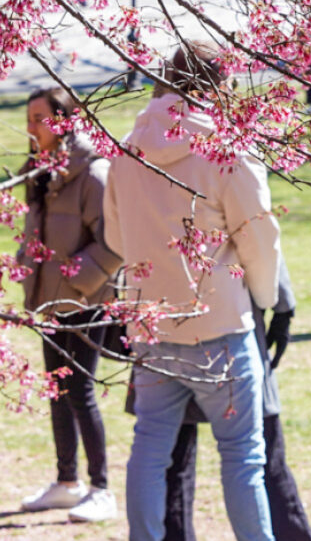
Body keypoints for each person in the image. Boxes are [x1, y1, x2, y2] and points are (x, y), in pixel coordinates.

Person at [104, 43, 283, 541]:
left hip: (152, 323)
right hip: (220, 325)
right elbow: (260, 238)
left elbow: (118, 239)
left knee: (150, 447)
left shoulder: (128, 147)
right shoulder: (227, 152)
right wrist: (264, 297)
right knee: (243, 456)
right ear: (219, 86)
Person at [14, 88, 122, 524]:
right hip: (50, 302)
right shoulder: (40, 173)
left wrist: (77, 280)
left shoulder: (93, 174)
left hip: (86, 301)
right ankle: (66, 482)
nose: (31, 127)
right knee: (57, 389)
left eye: (39, 118)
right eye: (29, 118)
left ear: (63, 121)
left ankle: (102, 488)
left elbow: (114, 242)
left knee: (79, 391)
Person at [161, 262, 311, 541]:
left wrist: (283, 306)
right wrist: (283, 306)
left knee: (259, 452)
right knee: (171, 459)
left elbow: (257, 231)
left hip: (217, 315)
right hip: (184, 316)